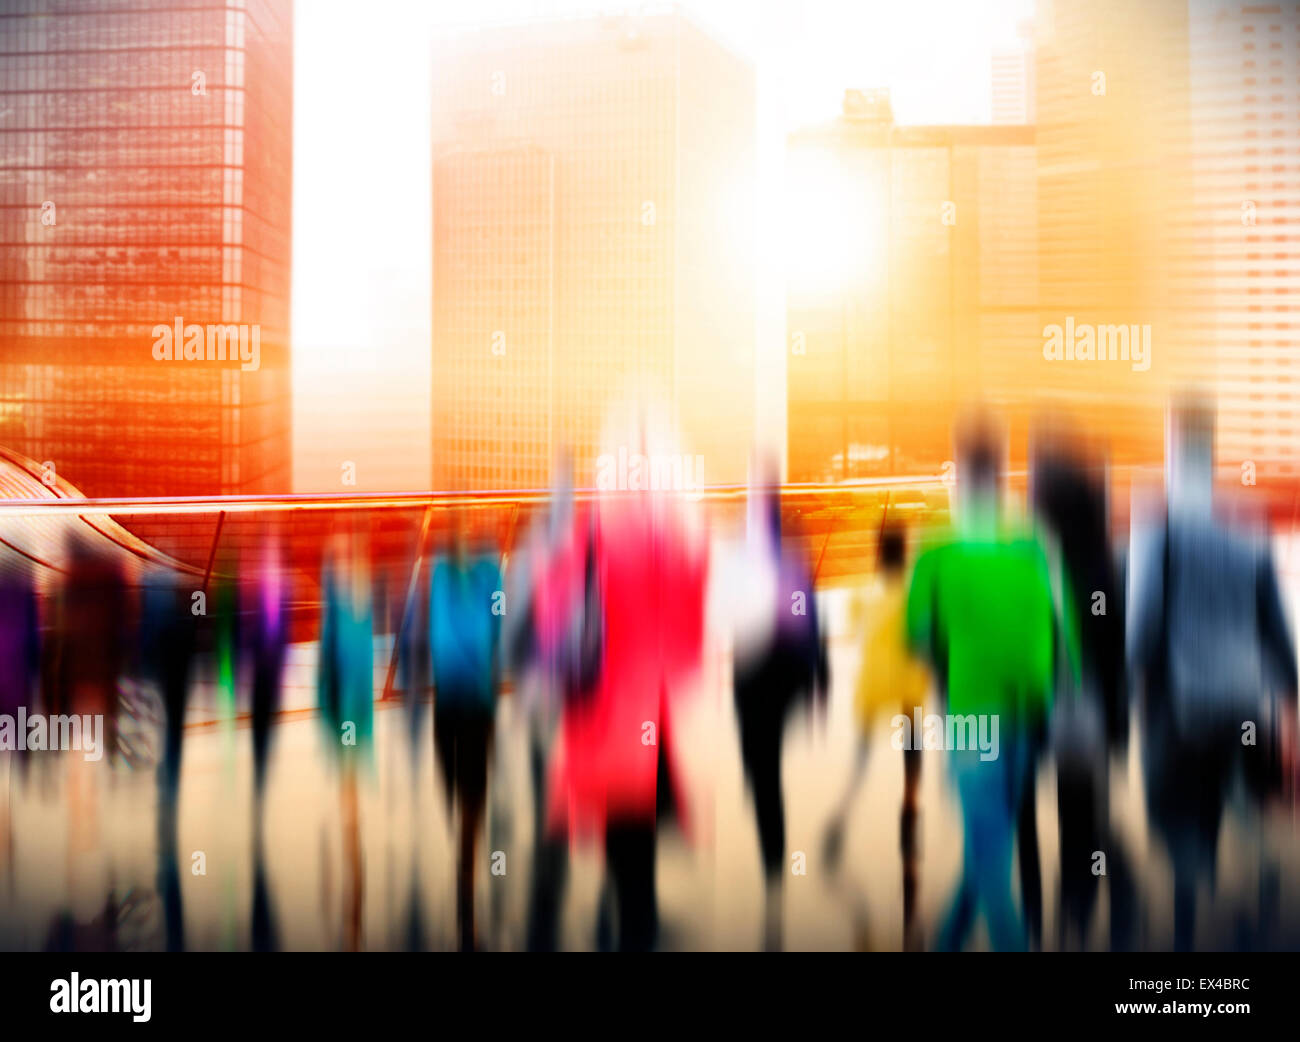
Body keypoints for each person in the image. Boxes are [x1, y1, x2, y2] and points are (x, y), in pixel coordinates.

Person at [1128, 395, 1297, 951]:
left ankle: (1197, 921)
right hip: (1247, 697)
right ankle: (1261, 875)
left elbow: (1145, 615)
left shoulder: (1158, 518)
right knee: (1229, 797)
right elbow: (1275, 621)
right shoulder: (1246, 521)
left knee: (1175, 814)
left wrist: (1128, 688)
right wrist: (1289, 697)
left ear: (1173, 442)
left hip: (1183, 701)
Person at [907, 411, 1079, 952]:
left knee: (988, 860)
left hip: (974, 706)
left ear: (958, 472)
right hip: (1031, 702)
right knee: (990, 847)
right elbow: (1067, 629)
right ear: (1003, 472)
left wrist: (951, 646)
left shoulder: (936, 543)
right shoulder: (1033, 536)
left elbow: (917, 636)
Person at [730, 474, 828, 950]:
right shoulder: (792, 546)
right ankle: (775, 864)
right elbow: (809, 609)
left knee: (759, 766)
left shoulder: (747, 549)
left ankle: (774, 866)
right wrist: (819, 676)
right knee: (762, 765)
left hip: (757, 671)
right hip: (784, 670)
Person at [824, 520, 929, 950]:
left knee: (863, 754)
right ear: (905, 551)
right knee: (912, 747)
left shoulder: (862, 593)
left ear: (876, 552)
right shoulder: (917, 592)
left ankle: (843, 812)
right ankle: (909, 803)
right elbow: (925, 636)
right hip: (907, 682)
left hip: (872, 683)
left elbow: (854, 635)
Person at [429, 513, 502, 952]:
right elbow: (494, 629)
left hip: (459, 698)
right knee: (467, 783)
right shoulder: (482, 572)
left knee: (461, 782)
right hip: (471, 698)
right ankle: (467, 859)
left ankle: (467, 867)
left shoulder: (447, 572)